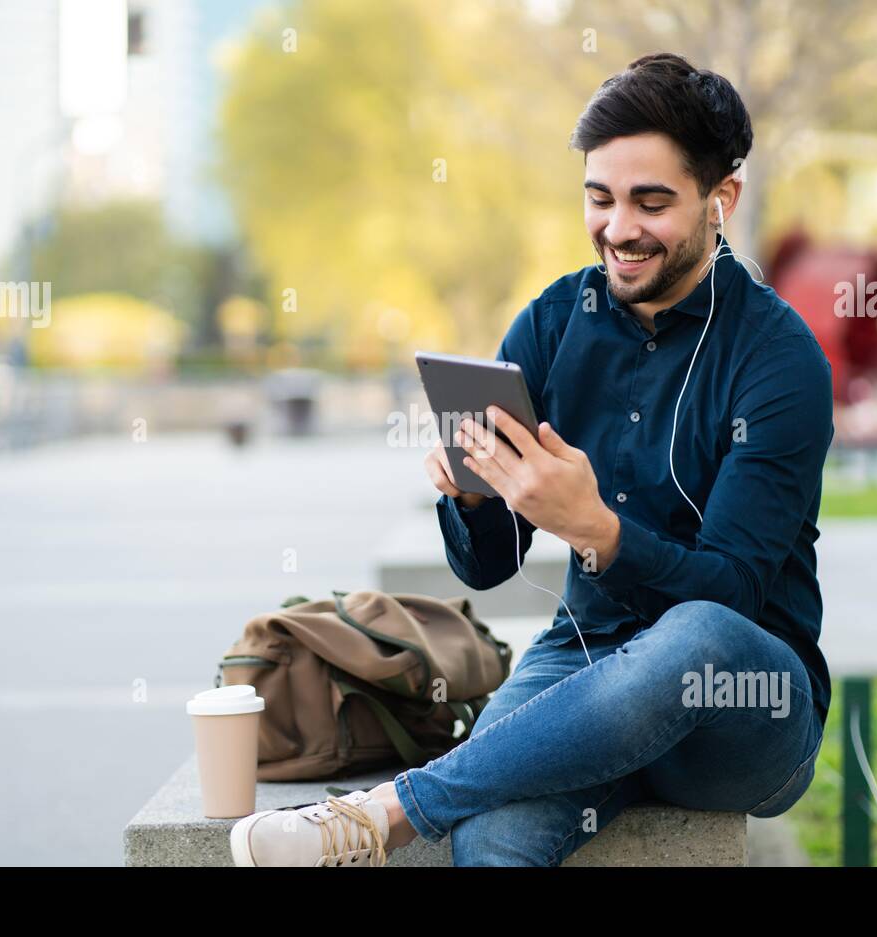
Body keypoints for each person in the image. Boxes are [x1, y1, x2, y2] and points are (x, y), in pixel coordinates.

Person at [229, 51, 834, 867]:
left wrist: (597, 530)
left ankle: (378, 816)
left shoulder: (779, 359)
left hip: (742, 708)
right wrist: (473, 500)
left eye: (651, 202)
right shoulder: (555, 322)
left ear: (722, 196)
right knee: (491, 834)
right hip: (583, 660)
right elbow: (489, 569)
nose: (619, 229)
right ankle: (406, 811)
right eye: (600, 198)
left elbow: (734, 594)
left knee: (696, 633)